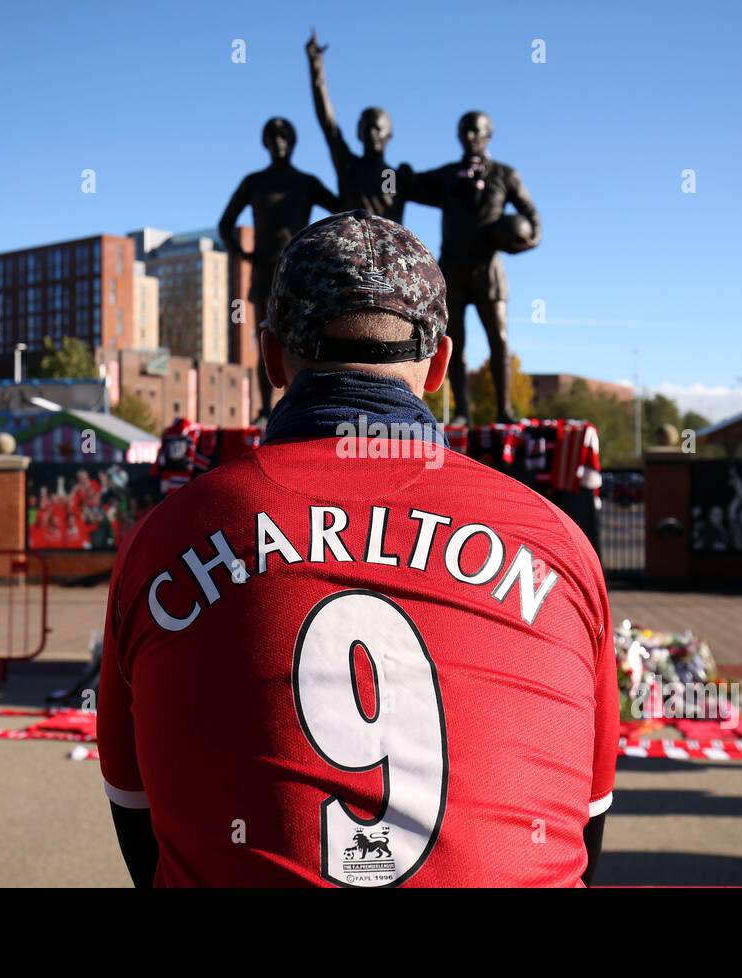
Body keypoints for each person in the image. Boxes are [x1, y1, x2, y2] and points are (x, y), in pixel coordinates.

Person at [98, 210, 617, 887]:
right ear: (439, 365)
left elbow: (142, 833)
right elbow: (584, 831)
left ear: (272, 356)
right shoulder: (558, 545)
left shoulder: (163, 539)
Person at [402, 111, 541, 425]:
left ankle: (504, 409)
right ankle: (463, 410)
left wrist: (520, 243)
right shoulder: (449, 176)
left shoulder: (506, 175)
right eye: (464, 131)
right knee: (455, 343)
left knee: (499, 340)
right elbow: (413, 187)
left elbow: (534, 222)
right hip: (453, 269)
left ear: (488, 134)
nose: (469, 137)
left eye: (476, 131)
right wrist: (401, 175)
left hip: (489, 270)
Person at [218, 117, 340, 420]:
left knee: (303, 339)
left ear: (293, 141)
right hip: (265, 273)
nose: (279, 143)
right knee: (268, 339)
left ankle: (299, 405)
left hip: (301, 273)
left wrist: (320, 249)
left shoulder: (305, 182)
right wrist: (243, 254)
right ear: (265, 143)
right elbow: (225, 224)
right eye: (273, 138)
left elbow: (341, 210)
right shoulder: (255, 182)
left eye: (284, 137)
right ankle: (264, 409)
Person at [305, 30, 404, 221]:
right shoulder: (348, 166)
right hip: (349, 247)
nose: (372, 134)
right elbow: (328, 124)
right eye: (367, 128)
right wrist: (316, 66)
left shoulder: (390, 175)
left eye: (378, 128)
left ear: (389, 135)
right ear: (359, 133)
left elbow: (390, 212)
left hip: (384, 248)